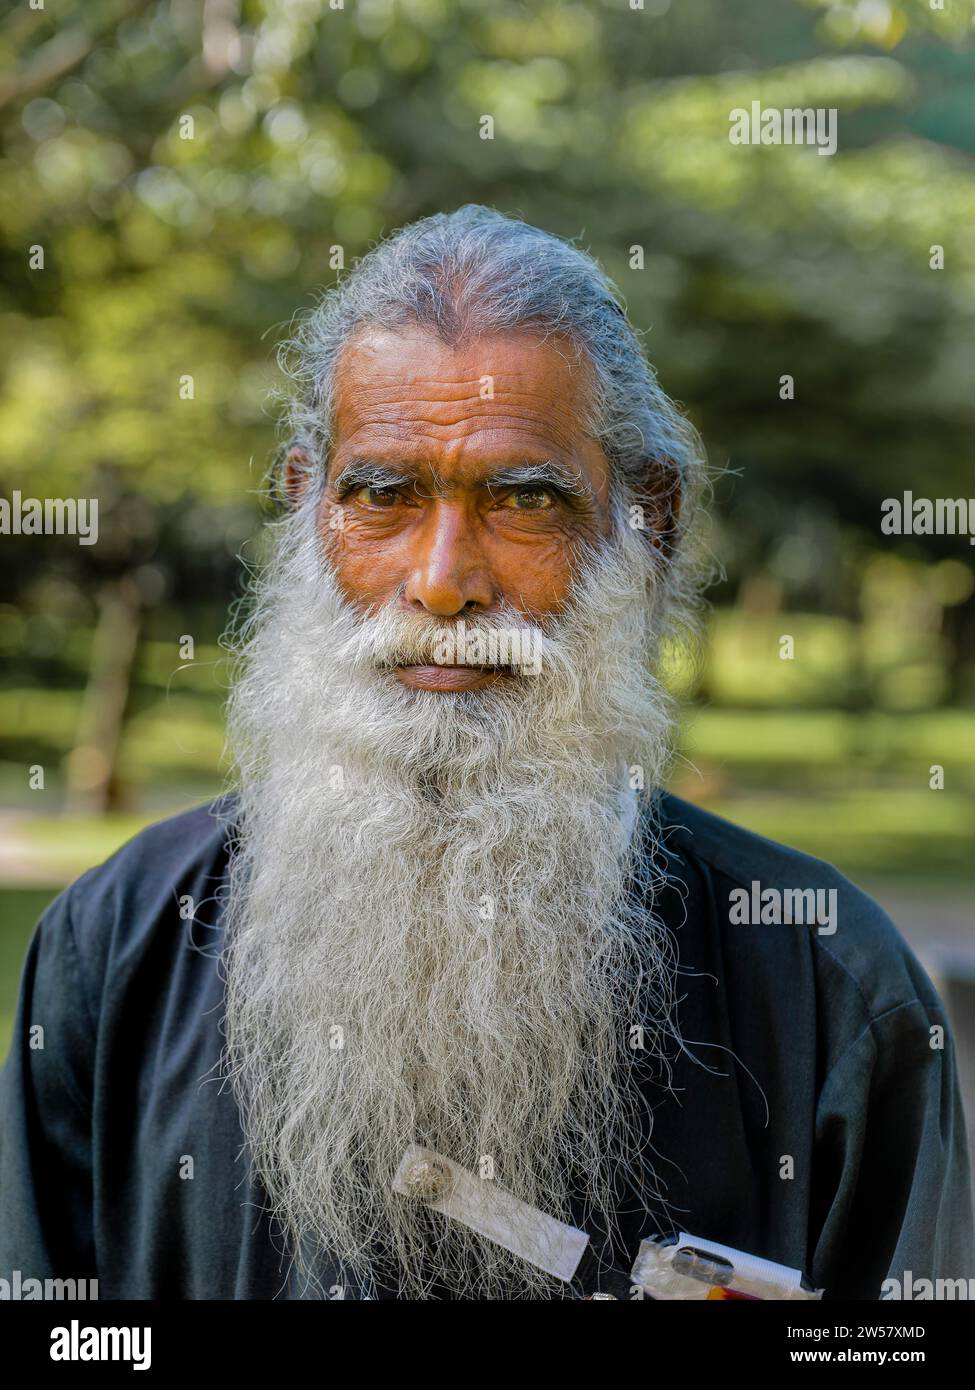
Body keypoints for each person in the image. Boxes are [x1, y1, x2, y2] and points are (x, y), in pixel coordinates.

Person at [1, 205, 971, 1301]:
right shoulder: (115, 949)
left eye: (522, 498)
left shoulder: (831, 993)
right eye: (383, 494)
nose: (444, 579)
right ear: (304, 507)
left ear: (647, 519)